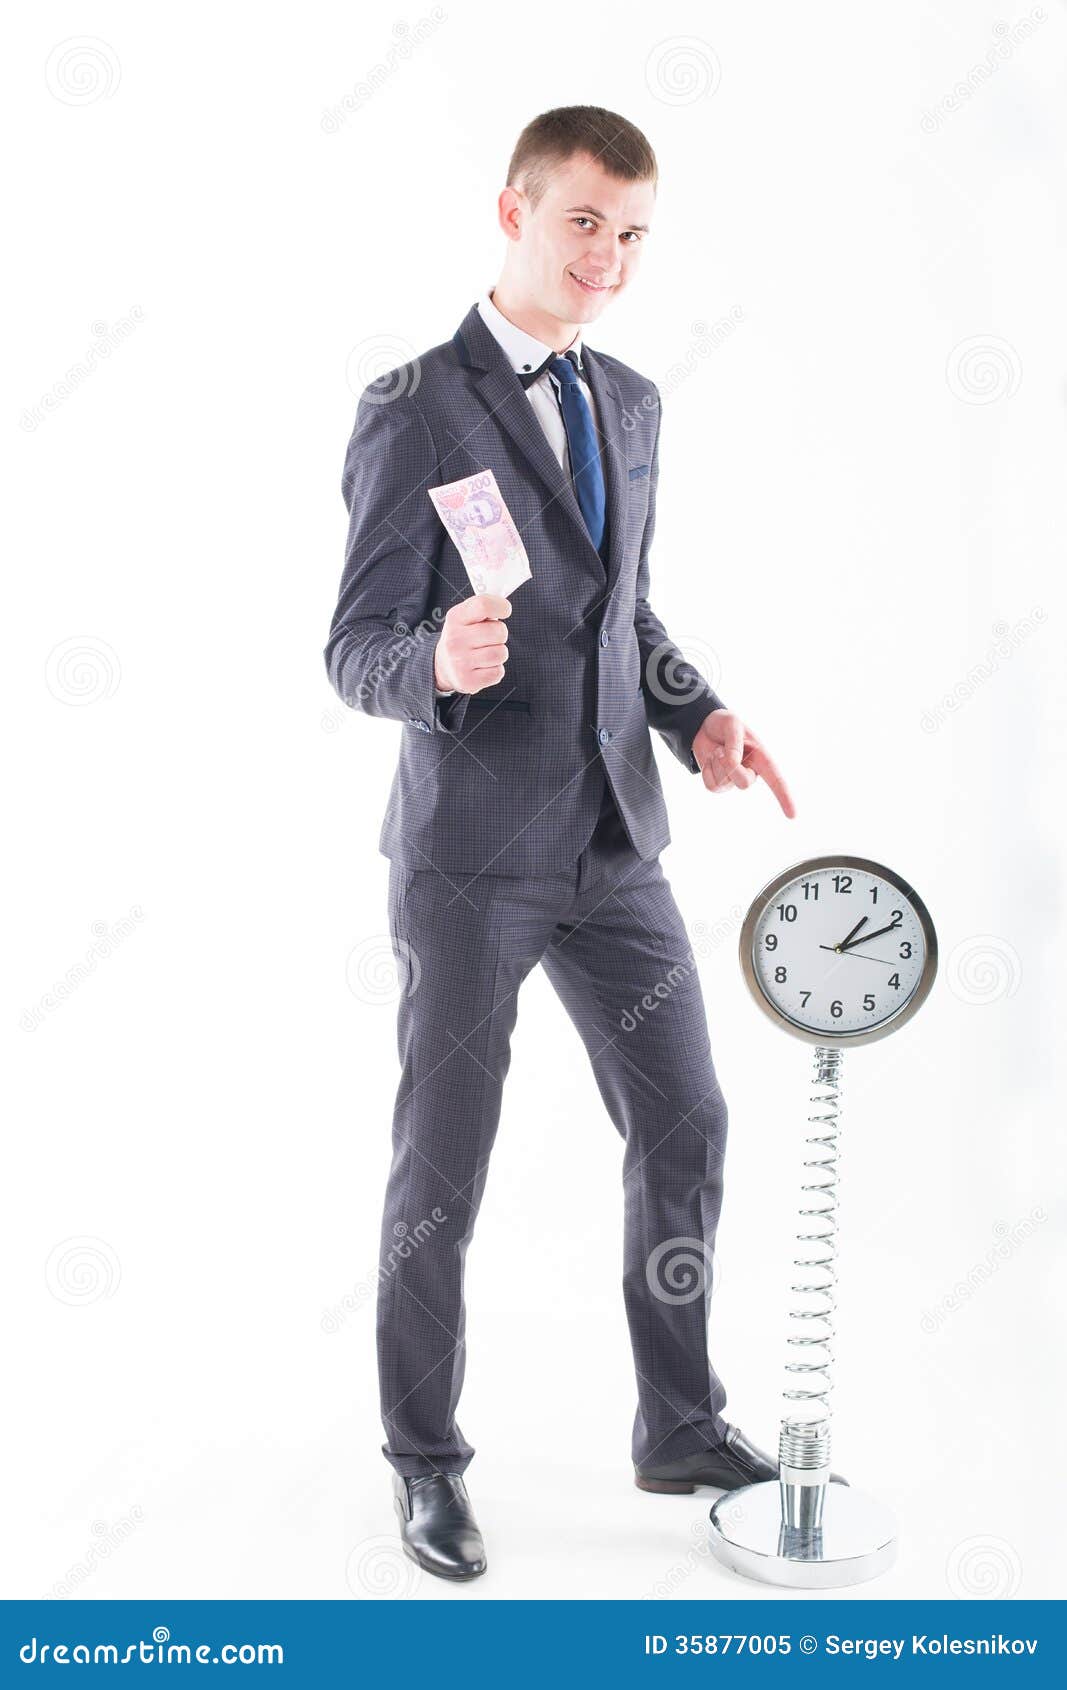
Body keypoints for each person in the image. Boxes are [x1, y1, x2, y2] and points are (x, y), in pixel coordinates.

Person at [324, 105, 841, 1583]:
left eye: (632, 233)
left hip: (615, 845)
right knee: (444, 1170)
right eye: (583, 224)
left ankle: (678, 1423)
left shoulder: (631, 399)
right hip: (471, 859)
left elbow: (626, 612)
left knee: (688, 1122)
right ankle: (426, 1464)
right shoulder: (414, 404)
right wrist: (435, 664)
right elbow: (354, 645)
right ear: (515, 212)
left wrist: (701, 713)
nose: (608, 257)